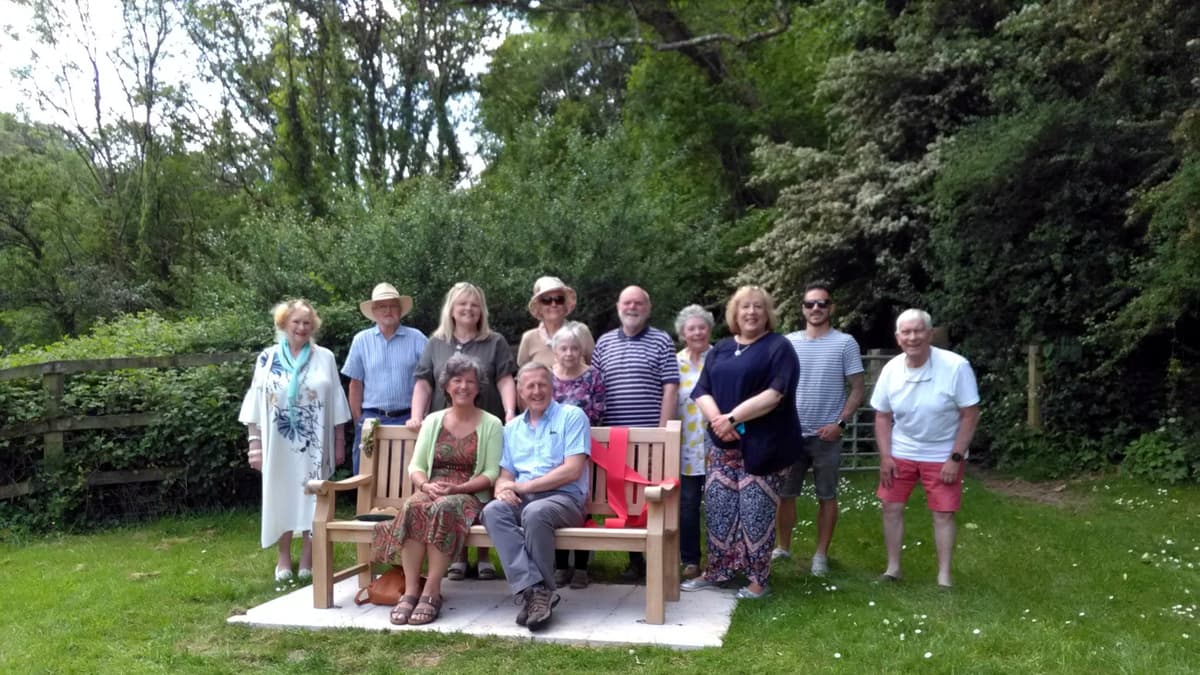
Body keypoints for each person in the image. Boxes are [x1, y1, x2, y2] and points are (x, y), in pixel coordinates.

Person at [680, 286, 800, 600]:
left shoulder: (779, 347)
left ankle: (758, 580)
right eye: (744, 307)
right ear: (735, 313)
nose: (751, 312)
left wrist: (731, 418)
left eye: (758, 307)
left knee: (755, 512)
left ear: (767, 313)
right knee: (719, 509)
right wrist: (720, 420)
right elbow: (701, 390)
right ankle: (718, 572)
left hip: (765, 445)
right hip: (722, 445)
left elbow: (776, 393)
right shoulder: (720, 348)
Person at [371, 354, 503, 625]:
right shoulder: (432, 420)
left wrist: (459, 488)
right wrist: (424, 485)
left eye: (470, 381)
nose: (463, 386)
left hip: (469, 494)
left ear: (479, 388)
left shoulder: (492, 424)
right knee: (414, 505)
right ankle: (410, 591)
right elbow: (416, 466)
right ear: (446, 386)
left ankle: (432, 591)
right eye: (457, 380)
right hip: (433, 488)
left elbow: (491, 473)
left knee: (443, 508)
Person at [409, 281, 516, 581]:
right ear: (451, 310)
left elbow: (506, 378)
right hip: (446, 424)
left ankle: (483, 558)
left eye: (474, 304)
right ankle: (457, 556)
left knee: (481, 478)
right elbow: (424, 381)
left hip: (486, 422)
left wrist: (509, 413)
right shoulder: (436, 342)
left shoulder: (494, 341)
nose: (468, 309)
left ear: (481, 310)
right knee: (448, 479)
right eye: (462, 304)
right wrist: (417, 416)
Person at [239, 299, 351, 582]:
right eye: (296, 322)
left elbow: (336, 397)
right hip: (279, 444)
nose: (302, 327)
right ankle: (284, 556)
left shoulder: (324, 356)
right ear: (284, 324)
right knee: (281, 496)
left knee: (314, 497)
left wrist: (338, 441)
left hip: (315, 442)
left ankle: (308, 558)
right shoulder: (267, 357)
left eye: (307, 322)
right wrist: (255, 443)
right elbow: (255, 400)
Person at [872, 309, 980, 588]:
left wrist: (955, 457)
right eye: (906, 332)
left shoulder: (956, 367)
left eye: (918, 331)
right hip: (902, 449)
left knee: (943, 513)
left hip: (943, 452)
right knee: (890, 507)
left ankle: (944, 577)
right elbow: (882, 416)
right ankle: (892, 569)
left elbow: (970, 413)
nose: (912, 337)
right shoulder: (891, 369)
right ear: (898, 338)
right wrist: (886, 457)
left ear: (930, 334)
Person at [481, 362, 591, 631]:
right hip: (526, 498)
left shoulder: (572, 416)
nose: (536, 391)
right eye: (529, 386)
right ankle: (535, 592)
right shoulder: (512, 428)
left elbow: (572, 470)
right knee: (492, 511)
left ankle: (537, 594)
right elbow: (506, 474)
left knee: (536, 512)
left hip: (565, 498)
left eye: (542, 384)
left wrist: (524, 487)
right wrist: (501, 488)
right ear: (520, 391)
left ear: (552, 386)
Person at [773, 282, 865, 576]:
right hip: (791, 433)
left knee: (827, 495)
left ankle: (820, 556)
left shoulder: (845, 343)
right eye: (810, 303)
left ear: (831, 308)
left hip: (827, 435)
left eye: (822, 303)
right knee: (785, 494)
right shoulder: (788, 343)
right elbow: (775, 387)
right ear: (802, 308)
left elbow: (858, 389)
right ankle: (783, 548)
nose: (816, 308)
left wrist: (840, 423)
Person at [592, 285, 679, 581]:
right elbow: (595, 388)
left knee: (653, 499)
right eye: (627, 302)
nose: (632, 307)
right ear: (618, 306)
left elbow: (670, 387)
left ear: (648, 308)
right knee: (625, 499)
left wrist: (662, 432)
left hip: (651, 435)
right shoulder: (603, 343)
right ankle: (636, 562)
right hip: (615, 438)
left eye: (638, 303)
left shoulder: (662, 340)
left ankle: (660, 560)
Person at [342, 283, 427, 474]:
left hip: (409, 419)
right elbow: (355, 384)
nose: (388, 310)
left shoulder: (417, 338)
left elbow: (428, 381)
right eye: (382, 306)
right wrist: (359, 420)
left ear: (400, 309)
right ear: (374, 311)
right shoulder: (361, 340)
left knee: (405, 477)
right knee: (366, 475)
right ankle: (365, 506)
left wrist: (421, 417)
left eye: (393, 305)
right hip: (372, 418)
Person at [549, 322, 606, 589]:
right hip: (553, 451)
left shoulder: (593, 376)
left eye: (574, 348)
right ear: (555, 351)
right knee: (556, 502)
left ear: (581, 350)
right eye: (564, 348)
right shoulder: (547, 377)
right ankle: (560, 566)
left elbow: (598, 412)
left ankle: (582, 567)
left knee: (584, 504)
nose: (569, 353)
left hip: (585, 450)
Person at [674, 304, 714, 580]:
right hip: (685, 447)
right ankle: (690, 560)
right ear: (683, 334)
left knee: (717, 505)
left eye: (702, 327)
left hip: (717, 445)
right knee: (687, 506)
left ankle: (720, 559)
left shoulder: (721, 357)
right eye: (692, 328)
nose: (697, 332)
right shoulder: (675, 363)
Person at [517, 276, 595, 367]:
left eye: (559, 300)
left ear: (565, 305)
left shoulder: (581, 331)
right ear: (539, 307)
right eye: (546, 300)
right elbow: (523, 375)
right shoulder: (529, 338)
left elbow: (595, 367)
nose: (553, 304)